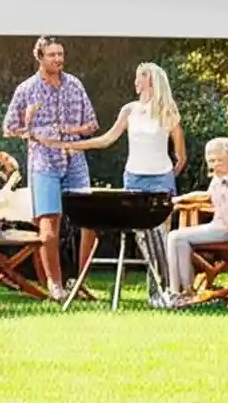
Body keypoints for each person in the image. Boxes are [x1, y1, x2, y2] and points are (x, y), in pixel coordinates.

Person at [35, 61, 187, 304]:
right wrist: (69, 145)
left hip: (160, 179)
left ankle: (160, 293)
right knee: (141, 238)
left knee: (160, 237)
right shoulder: (129, 111)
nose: (135, 82)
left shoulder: (168, 111)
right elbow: (106, 140)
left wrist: (168, 174)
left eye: (139, 77)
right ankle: (159, 292)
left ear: (151, 80)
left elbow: (180, 155)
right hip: (134, 178)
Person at [2, 35, 100, 302]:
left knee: (89, 221)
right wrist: (28, 122)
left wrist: (71, 130)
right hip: (44, 162)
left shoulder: (75, 85)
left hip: (75, 159)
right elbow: (9, 129)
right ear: (40, 57)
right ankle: (55, 286)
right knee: (49, 224)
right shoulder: (26, 89)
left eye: (60, 54)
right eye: (52, 54)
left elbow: (92, 125)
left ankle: (79, 281)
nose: (58, 59)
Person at [163, 137, 228, 308]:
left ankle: (183, 292)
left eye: (219, 160)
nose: (215, 164)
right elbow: (206, 196)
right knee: (176, 237)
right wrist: (179, 200)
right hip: (219, 226)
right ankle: (178, 290)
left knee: (177, 237)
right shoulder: (218, 180)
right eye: (211, 160)